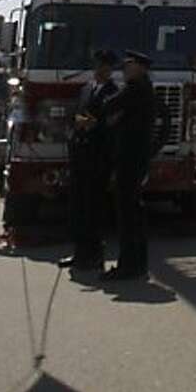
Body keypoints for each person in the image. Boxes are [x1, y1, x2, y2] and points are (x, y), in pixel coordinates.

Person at [59, 48, 118, 272]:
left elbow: (113, 125)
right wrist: (76, 121)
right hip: (80, 154)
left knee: (94, 208)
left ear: (110, 69)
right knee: (78, 206)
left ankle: (94, 254)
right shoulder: (87, 89)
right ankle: (78, 252)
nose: (99, 70)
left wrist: (95, 125)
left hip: (98, 157)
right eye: (97, 65)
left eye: (104, 66)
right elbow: (76, 111)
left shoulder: (113, 93)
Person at [101, 49, 157, 282]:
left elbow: (108, 105)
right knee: (134, 213)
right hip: (137, 157)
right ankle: (137, 264)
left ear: (140, 67)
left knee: (127, 215)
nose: (124, 68)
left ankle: (128, 266)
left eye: (128, 64)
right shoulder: (145, 89)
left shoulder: (135, 89)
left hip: (130, 158)